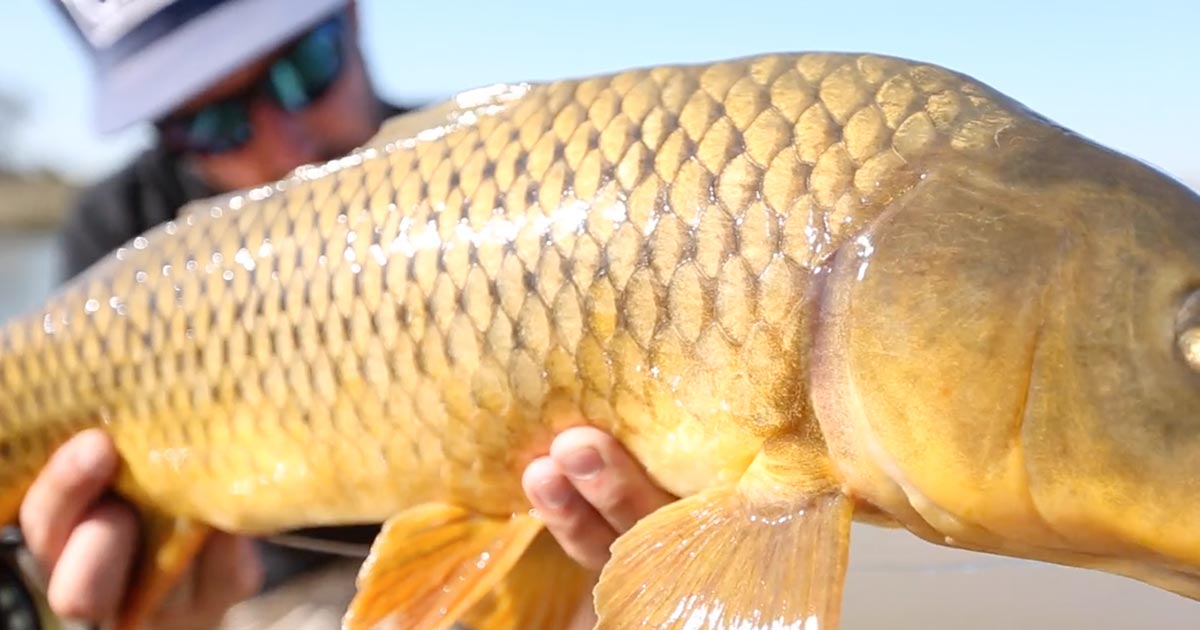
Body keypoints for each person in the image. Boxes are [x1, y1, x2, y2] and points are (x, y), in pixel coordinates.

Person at [25, 0, 675, 628]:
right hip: (267, 600)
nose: (285, 143)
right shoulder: (120, 238)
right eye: (209, 120)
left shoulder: (520, 174)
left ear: (352, 13)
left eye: (303, 67)